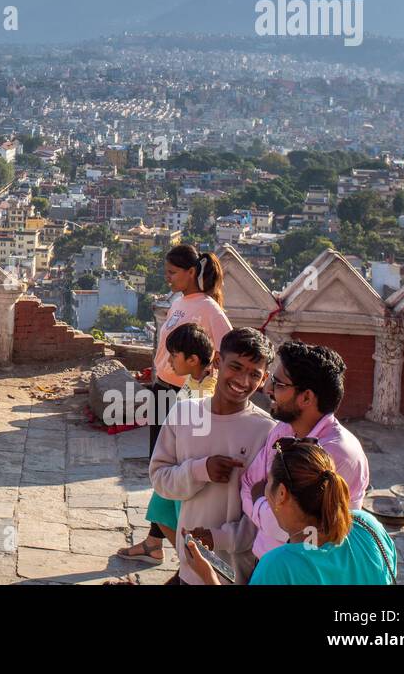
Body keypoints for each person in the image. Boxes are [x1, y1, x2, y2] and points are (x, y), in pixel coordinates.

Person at [121, 242, 232, 562]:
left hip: (184, 396)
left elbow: (230, 349)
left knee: (170, 466)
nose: (167, 278)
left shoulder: (209, 309)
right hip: (164, 389)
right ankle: (158, 542)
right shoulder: (181, 301)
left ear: (192, 272)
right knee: (161, 465)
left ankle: (182, 551)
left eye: (172, 273)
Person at [150, 326, 274, 585]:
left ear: (264, 380)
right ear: (218, 361)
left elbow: (269, 512)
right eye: (236, 367)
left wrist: (218, 537)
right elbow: (160, 478)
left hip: (237, 570)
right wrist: (200, 470)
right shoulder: (183, 414)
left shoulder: (266, 432)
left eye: (254, 374)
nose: (242, 381)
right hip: (191, 567)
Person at [185, 440, 396, 585]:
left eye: (268, 482)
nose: (264, 489)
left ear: (282, 493)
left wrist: (209, 577)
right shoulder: (369, 527)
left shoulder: (279, 565)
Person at [237, 341, 370, 560]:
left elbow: (299, 530)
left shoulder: (337, 453)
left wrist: (260, 499)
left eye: (279, 384)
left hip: (305, 570)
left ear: (306, 397)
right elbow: (248, 483)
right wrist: (268, 506)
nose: (268, 389)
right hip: (267, 561)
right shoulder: (283, 430)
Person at [121, 322, 217, 565]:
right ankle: (182, 558)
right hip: (178, 467)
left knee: (179, 518)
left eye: (174, 356)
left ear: (193, 359)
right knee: (161, 511)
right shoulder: (193, 382)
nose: (169, 362)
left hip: (190, 470)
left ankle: (194, 563)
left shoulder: (207, 392)